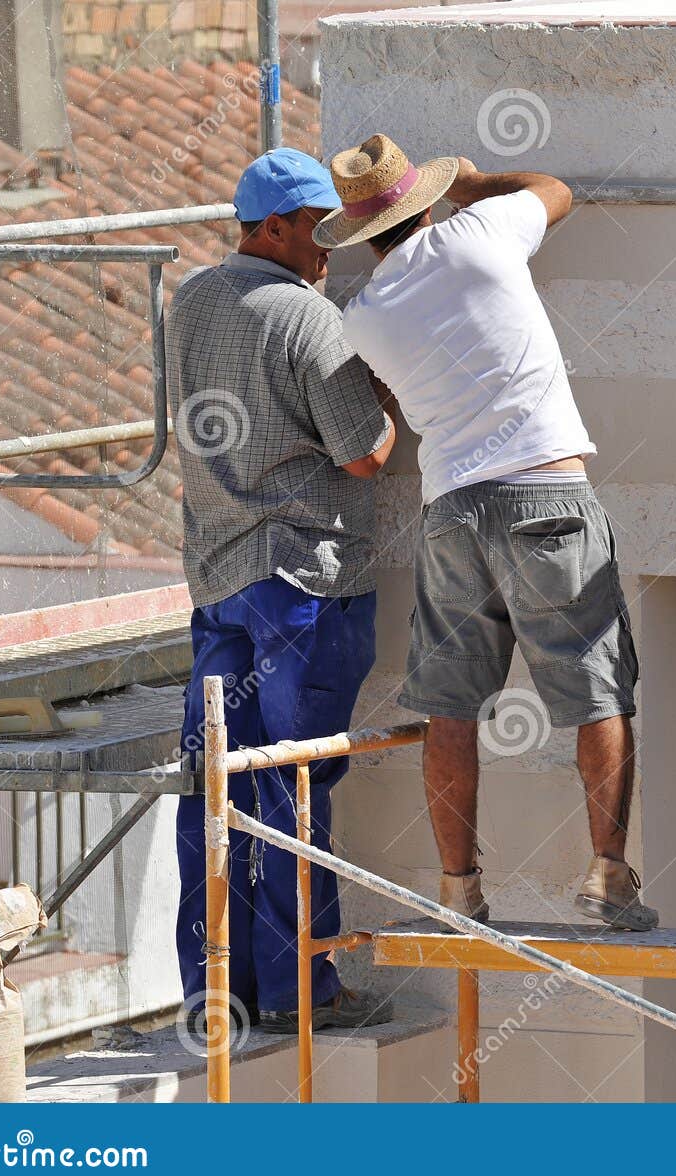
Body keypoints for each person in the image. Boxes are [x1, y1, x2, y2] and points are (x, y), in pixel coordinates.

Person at [314, 135, 656, 931]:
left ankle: (459, 892)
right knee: (596, 688)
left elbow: (384, 398)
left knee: (450, 708)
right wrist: (474, 183)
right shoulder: (480, 231)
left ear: (363, 233)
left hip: (453, 512)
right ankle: (607, 876)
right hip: (548, 495)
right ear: (424, 202)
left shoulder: (360, 316)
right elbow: (556, 186)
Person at [168, 147, 398, 1032]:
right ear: (273, 226)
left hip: (220, 579)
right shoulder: (309, 320)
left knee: (215, 788)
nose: (329, 248)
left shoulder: (189, 300)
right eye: (317, 229)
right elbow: (365, 454)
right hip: (303, 582)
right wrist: (382, 384)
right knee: (294, 787)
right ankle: (303, 989)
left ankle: (217, 995)